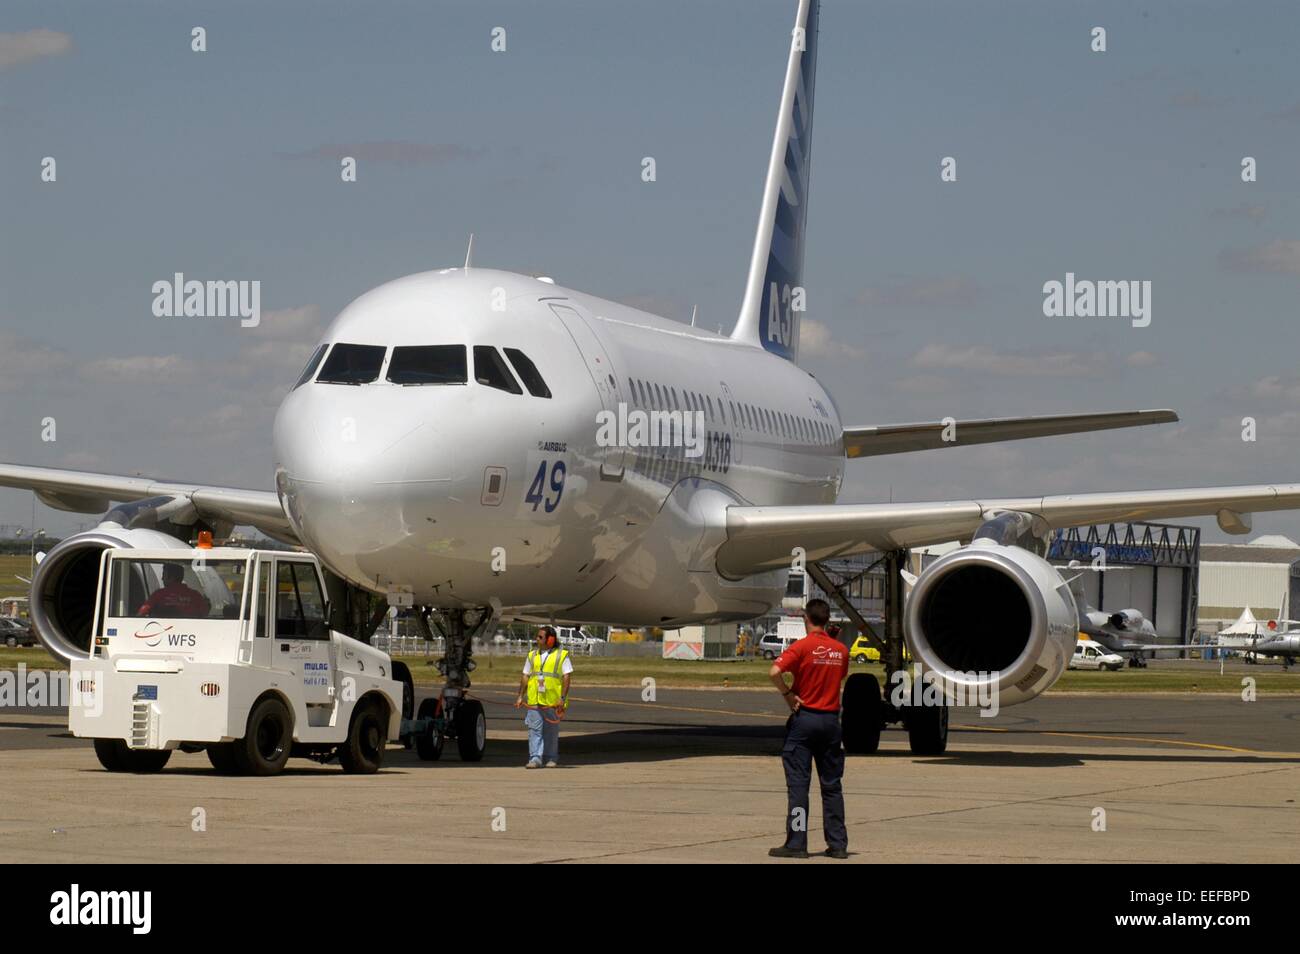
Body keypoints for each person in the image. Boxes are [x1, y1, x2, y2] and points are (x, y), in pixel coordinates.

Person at [767, 599, 849, 859]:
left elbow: (774, 671)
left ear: (806, 619)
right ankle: (837, 845)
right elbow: (839, 674)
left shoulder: (801, 647)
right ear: (826, 619)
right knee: (832, 786)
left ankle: (797, 843)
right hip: (831, 721)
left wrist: (789, 694)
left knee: (799, 786)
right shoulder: (841, 650)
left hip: (806, 720)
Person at [514, 626, 573, 768]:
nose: (537, 639)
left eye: (540, 637)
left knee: (551, 731)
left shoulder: (561, 655)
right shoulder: (532, 655)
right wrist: (520, 696)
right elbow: (525, 676)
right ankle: (535, 758)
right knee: (534, 729)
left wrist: (562, 698)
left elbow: (566, 677)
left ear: (550, 639)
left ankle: (551, 757)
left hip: (553, 701)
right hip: (534, 699)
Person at [137, 563, 210, 618]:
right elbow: (204, 613)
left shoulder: (159, 595)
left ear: (172, 578)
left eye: (164, 575)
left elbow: (142, 612)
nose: (162, 578)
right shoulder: (195, 595)